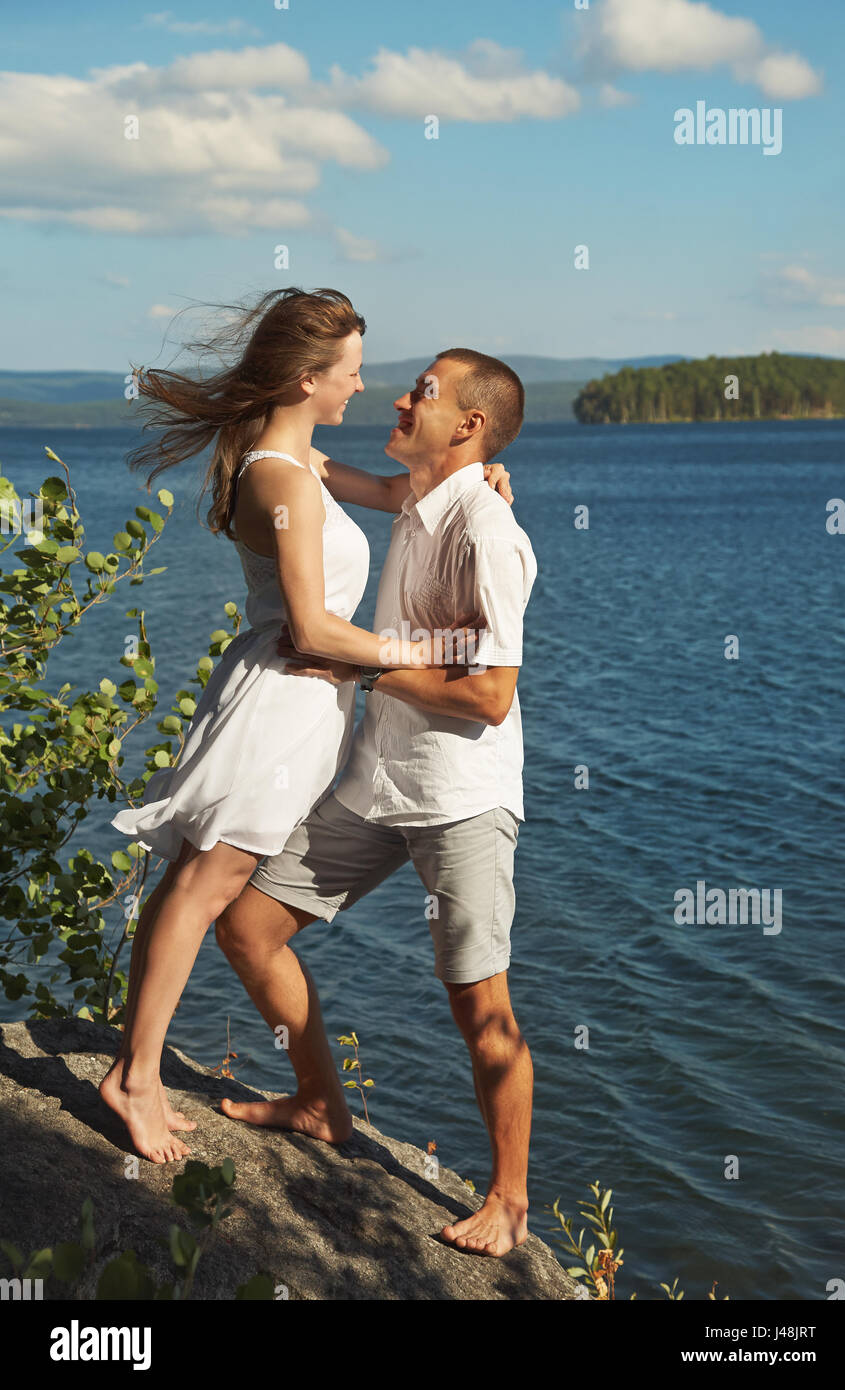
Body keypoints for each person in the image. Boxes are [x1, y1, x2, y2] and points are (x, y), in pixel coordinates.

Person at [101, 288, 512, 1162]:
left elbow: (410, 488)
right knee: (210, 882)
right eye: (352, 373)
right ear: (304, 379)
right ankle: (135, 1078)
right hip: (282, 697)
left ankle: (137, 1069)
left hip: (300, 702)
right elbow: (312, 629)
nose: (365, 389)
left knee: (200, 879)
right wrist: (426, 649)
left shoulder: (304, 465)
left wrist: (483, 473)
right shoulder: (282, 477)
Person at [215, 348, 537, 1257]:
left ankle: (509, 1202)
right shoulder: (420, 498)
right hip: (376, 782)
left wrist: (366, 659)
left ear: (467, 425)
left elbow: (490, 696)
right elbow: (299, 455)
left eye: (422, 392)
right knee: (247, 926)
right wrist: (284, 382)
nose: (399, 397)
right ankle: (320, 1102)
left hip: (463, 798)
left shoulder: (490, 529)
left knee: (480, 1007)